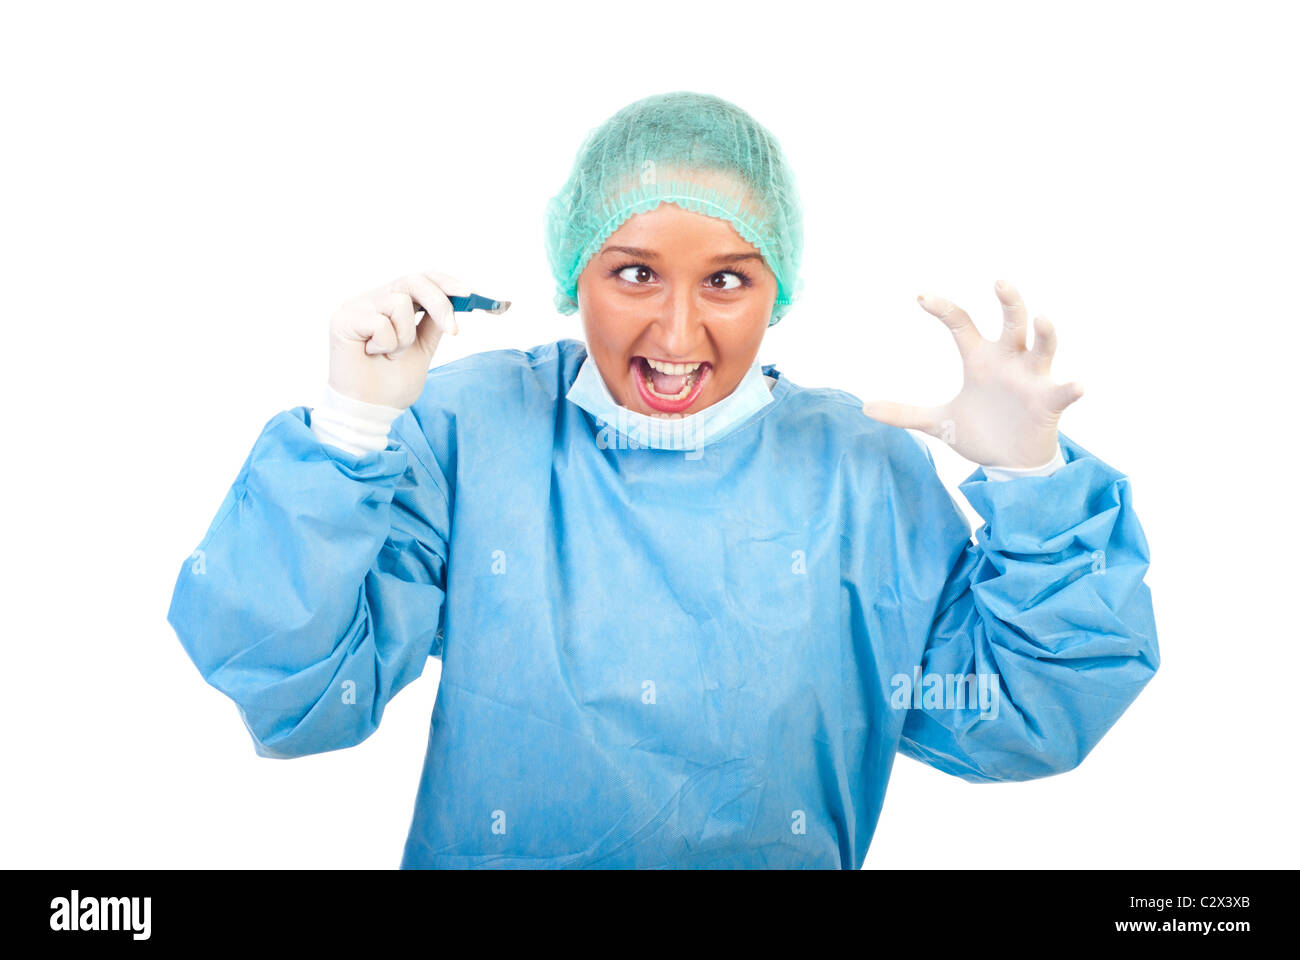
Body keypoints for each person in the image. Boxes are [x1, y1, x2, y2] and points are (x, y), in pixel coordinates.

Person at [168, 91, 1160, 869]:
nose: (678, 337)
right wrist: (352, 428)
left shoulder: (857, 470)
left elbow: (1017, 718)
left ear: (779, 290)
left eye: (726, 280)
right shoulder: (475, 432)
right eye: (634, 273)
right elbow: (300, 697)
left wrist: (1033, 486)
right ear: (573, 275)